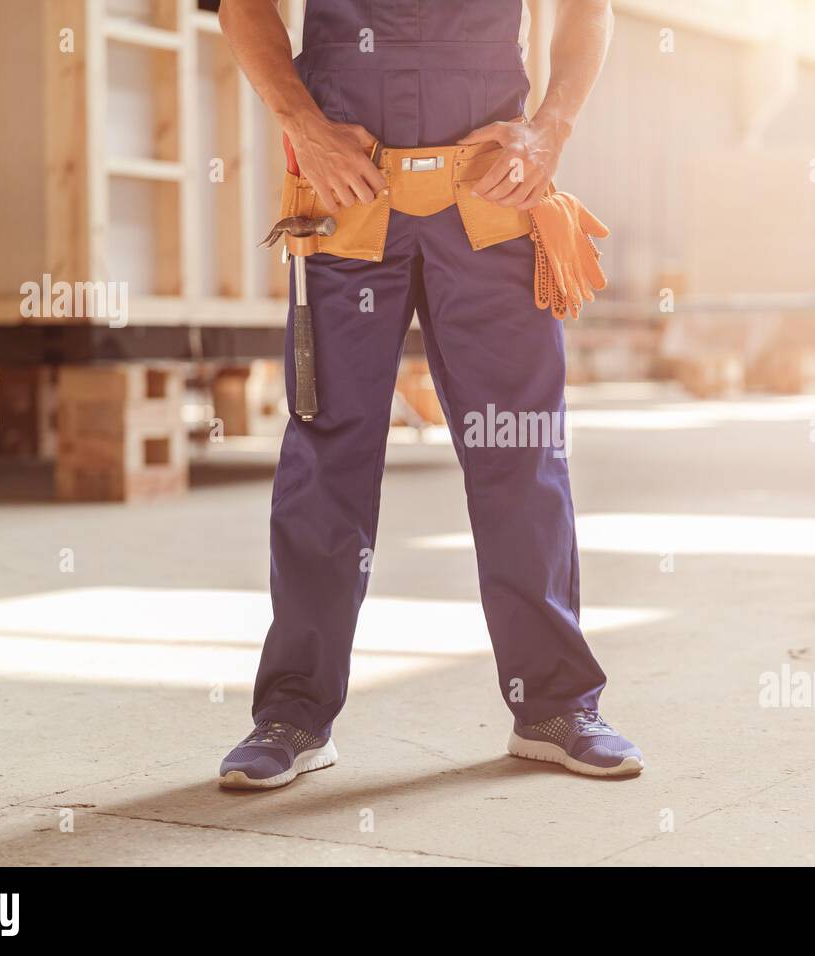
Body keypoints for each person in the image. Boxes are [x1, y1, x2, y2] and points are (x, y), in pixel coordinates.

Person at [216, 0, 641, 788]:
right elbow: (244, 8)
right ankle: (295, 714)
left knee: (521, 454)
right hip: (349, 197)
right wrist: (303, 125)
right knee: (326, 458)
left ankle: (554, 706)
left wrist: (550, 130)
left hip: (491, 198)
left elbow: (590, 9)